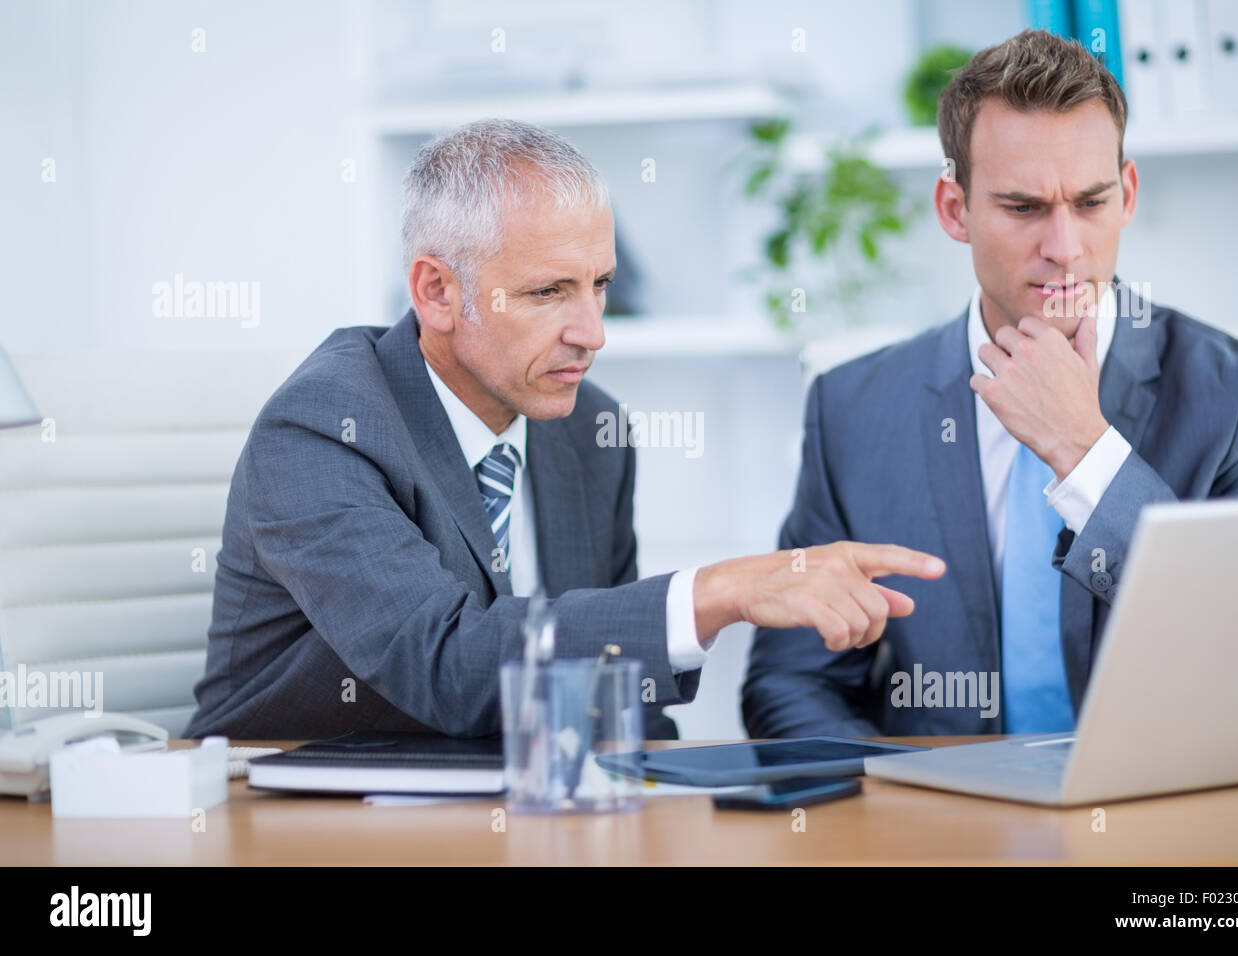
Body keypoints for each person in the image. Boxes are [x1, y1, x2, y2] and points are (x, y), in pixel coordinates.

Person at [184, 119, 945, 741]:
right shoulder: (323, 429)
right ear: (438, 291)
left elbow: (615, 690)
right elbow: (450, 664)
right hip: (293, 823)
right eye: (549, 292)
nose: (592, 332)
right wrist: (717, 593)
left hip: (513, 811)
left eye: (600, 286)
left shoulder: (589, 429)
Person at [743, 29, 1238, 739]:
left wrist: (1085, 452)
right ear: (954, 210)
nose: (1064, 249)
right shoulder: (852, 408)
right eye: (1024, 208)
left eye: (1090, 203)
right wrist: (902, 814)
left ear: (1127, 195)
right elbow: (792, 681)